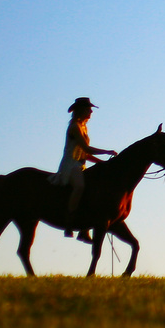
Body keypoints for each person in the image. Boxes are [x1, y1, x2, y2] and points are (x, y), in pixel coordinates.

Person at [49, 97, 116, 239]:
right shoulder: (74, 127)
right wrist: (106, 152)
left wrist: (101, 162)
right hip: (71, 165)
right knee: (79, 186)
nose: (91, 111)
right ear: (81, 110)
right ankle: (69, 220)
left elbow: (84, 153)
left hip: (80, 165)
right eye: (88, 109)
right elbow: (86, 148)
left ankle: (84, 228)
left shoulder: (83, 127)